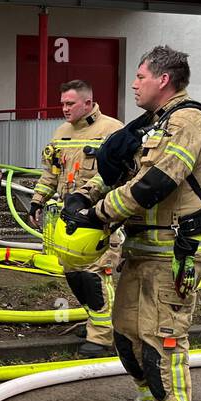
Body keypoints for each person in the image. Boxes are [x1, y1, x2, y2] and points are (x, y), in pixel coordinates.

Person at [72, 46, 201, 401]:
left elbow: (154, 183)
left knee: (162, 341)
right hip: (139, 250)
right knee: (126, 333)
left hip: (174, 253)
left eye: (140, 76)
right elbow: (117, 171)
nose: (133, 84)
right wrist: (81, 196)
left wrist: (96, 215)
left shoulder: (189, 121)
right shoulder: (150, 125)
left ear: (163, 80)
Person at [28, 80, 123, 357]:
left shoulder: (112, 130)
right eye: (63, 103)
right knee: (74, 275)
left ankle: (103, 337)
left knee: (95, 276)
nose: (65, 108)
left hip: (98, 219)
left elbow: (118, 175)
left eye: (70, 104)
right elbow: (51, 173)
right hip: (67, 221)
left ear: (88, 102)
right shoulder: (61, 132)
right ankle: (95, 319)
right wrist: (37, 200)